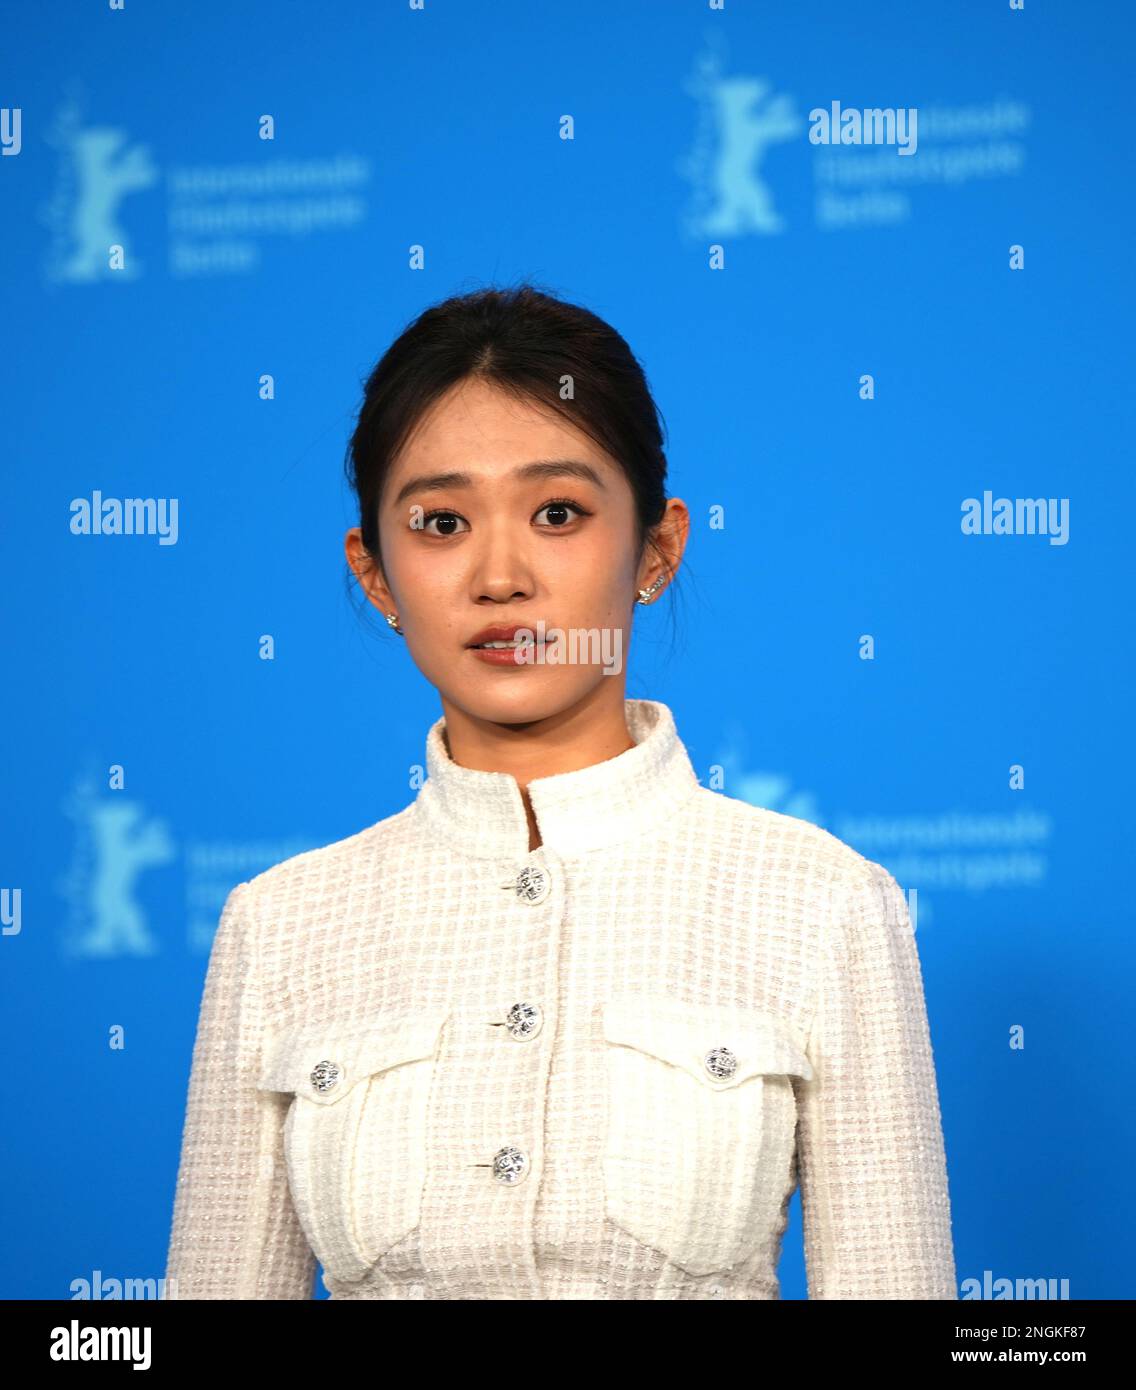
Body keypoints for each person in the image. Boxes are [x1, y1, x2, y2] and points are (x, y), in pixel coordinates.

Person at [163, 283, 956, 1300]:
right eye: (440, 521)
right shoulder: (277, 926)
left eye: (557, 513)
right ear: (375, 575)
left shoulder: (822, 903)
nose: (499, 575)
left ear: (656, 549)